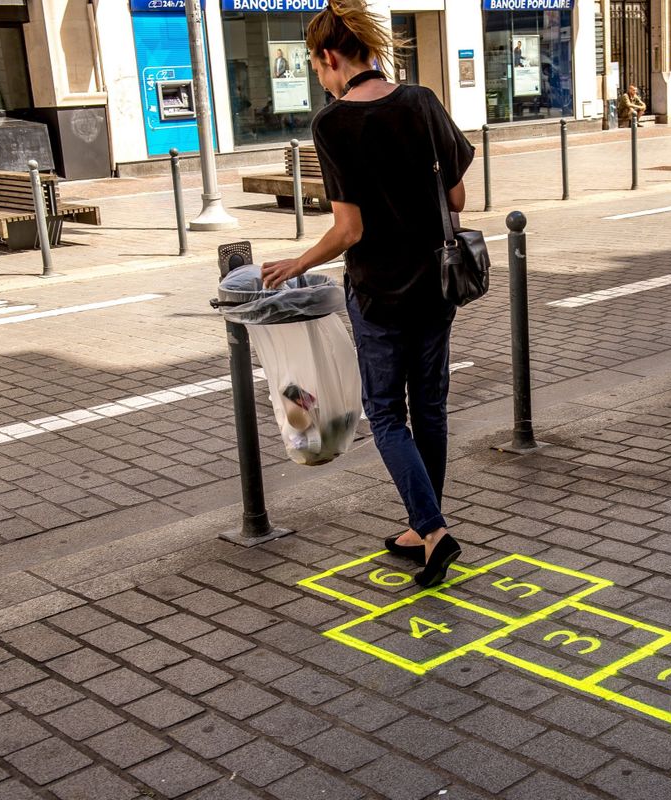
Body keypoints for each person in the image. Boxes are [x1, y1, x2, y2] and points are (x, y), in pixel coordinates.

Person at [259, 0, 470, 588]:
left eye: (317, 68)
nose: (320, 79)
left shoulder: (332, 125)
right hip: (437, 283)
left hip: (378, 292)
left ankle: (431, 531)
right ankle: (420, 522)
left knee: (385, 413)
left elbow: (350, 230)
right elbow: (455, 201)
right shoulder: (422, 101)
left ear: (330, 57)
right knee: (429, 407)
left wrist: (298, 261)